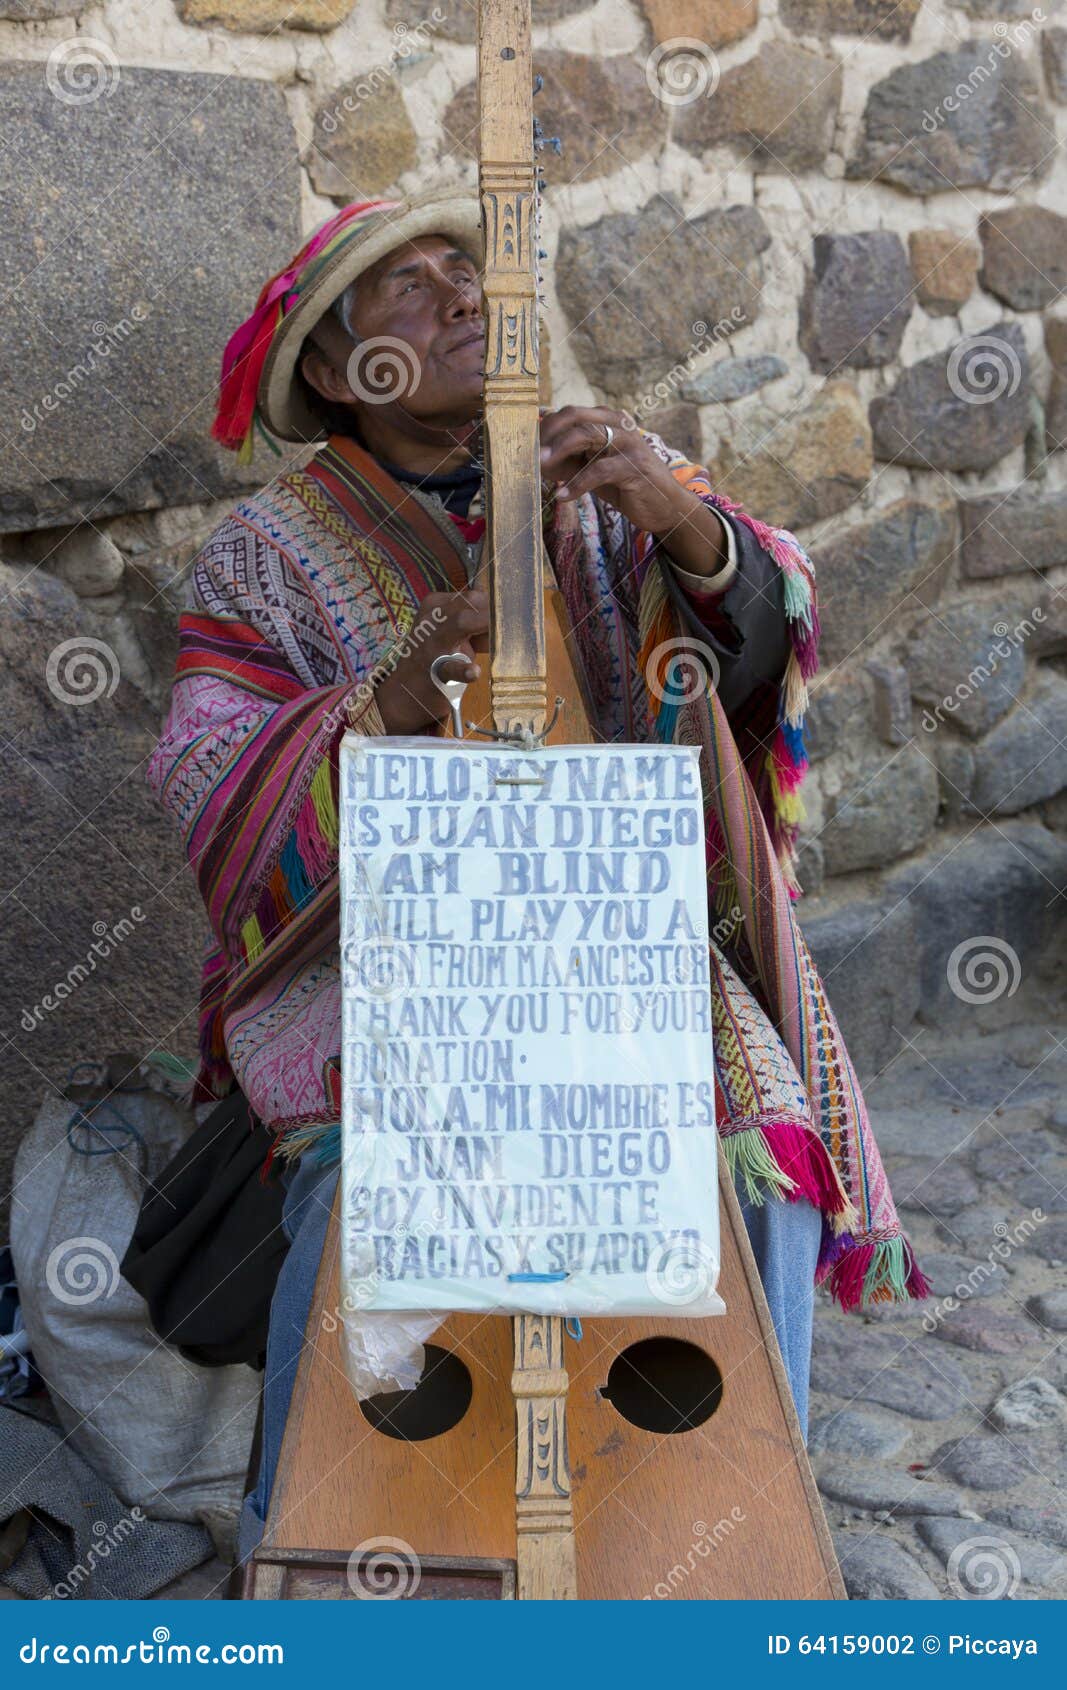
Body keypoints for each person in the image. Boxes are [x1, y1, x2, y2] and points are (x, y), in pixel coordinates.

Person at [131, 193, 925, 1560]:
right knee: (363, 1156)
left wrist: (687, 529)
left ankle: (724, 1532)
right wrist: (386, 699)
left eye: (470, 271)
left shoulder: (598, 477)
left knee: (759, 1119)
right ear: (332, 371)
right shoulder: (262, 555)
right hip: (378, 962)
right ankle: (328, 1547)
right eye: (409, 288)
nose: (461, 297)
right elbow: (213, 781)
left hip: (618, 938)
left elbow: (758, 654)